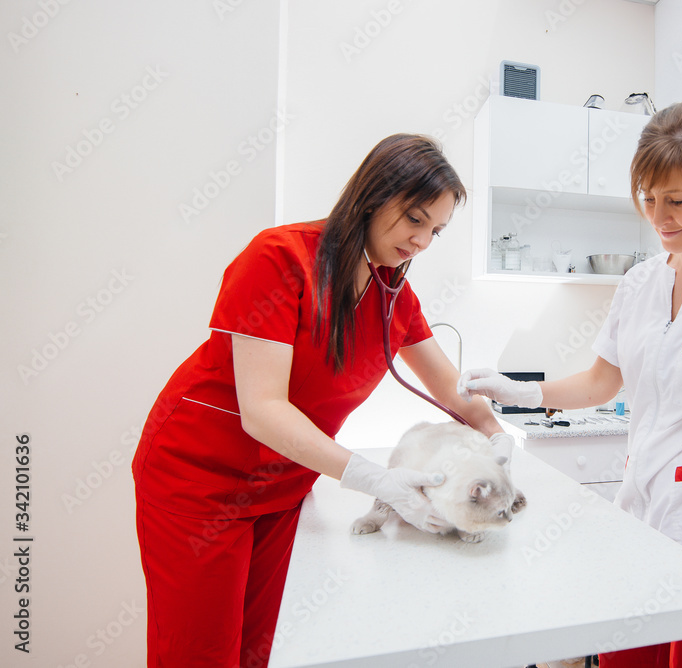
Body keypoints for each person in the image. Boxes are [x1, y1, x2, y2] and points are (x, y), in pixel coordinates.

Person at [458, 98, 682, 667]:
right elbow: (603, 381)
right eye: (648, 199)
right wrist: (526, 393)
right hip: (644, 525)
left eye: (676, 200)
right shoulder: (640, 282)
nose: (658, 217)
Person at [131, 134, 512, 667]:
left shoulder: (393, 293)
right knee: (199, 654)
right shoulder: (278, 258)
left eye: (436, 230)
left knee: (251, 651)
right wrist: (374, 478)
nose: (422, 241)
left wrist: (495, 436)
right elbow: (262, 410)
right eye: (414, 219)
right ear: (373, 197)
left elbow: (451, 389)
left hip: (282, 484)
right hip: (200, 478)